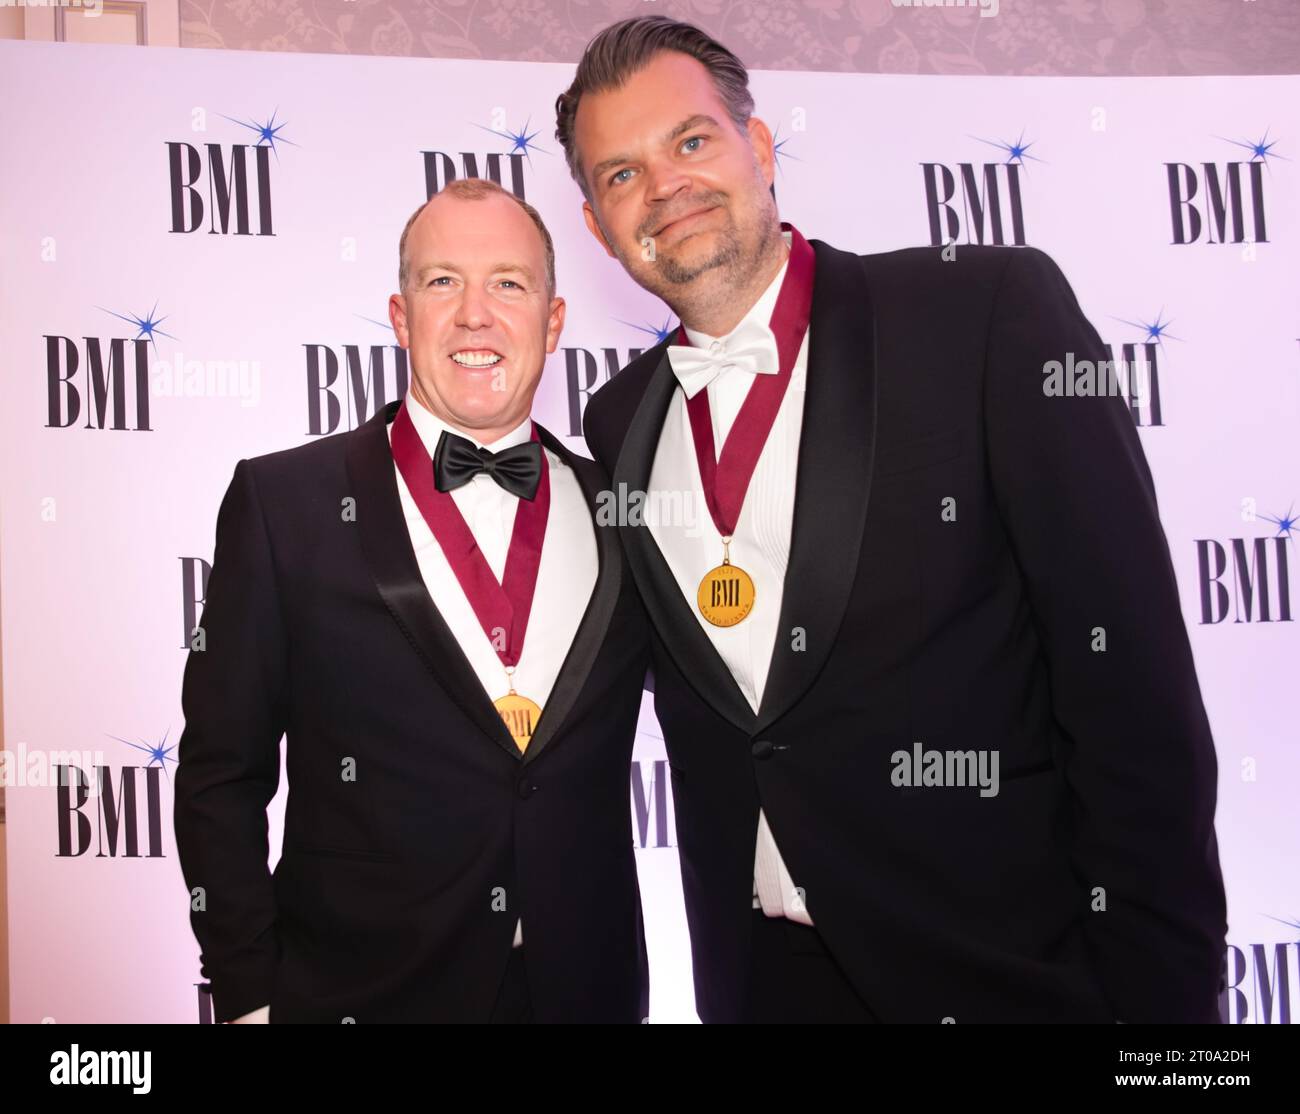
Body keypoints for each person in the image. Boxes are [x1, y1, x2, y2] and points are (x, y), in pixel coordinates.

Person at [559, 15, 1227, 1023]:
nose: (664, 188)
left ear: (761, 149)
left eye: (691, 141)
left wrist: (1166, 1022)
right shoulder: (617, 420)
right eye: (620, 175)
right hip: (767, 986)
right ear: (597, 223)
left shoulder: (984, 313)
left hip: (1009, 974)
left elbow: (1132, 692)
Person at [174, 177, 649, 1023]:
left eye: (509, 282)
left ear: (554, 319)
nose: (476, 314)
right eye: (442, 282)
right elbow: (220, 776)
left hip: (586, 993)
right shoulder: (286, 505)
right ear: (400, 318)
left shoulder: (625, 507)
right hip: (360, 994)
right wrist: (249, 999)